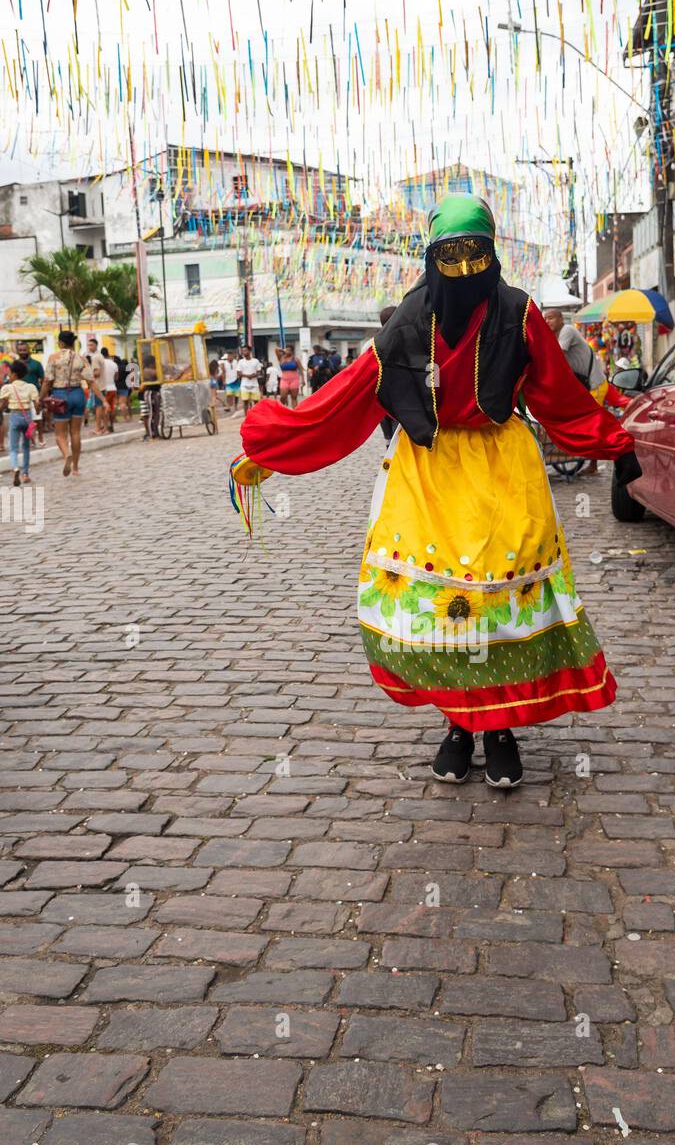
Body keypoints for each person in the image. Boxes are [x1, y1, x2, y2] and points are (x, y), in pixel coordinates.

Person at [231, 194, 640, 787]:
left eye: (477, 252)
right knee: (445, 613)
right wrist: (272, 448)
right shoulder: (411, 317)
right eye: (452, 254)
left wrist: (616, 442)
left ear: (492, 251)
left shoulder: (519, 313)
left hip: (503, 467)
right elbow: (347, 395)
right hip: (426, 473)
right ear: (432, 255)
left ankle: (500, 728)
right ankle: (459, 725)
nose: (466, 268)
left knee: (497, 604)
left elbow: (559, 397)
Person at [543, 309, 609, 475]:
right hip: (583, 386)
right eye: (545, 319)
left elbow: (557, 357)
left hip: (595, 385)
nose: (547, 321)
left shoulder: (567, 331)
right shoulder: (556, 336)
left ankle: (594, 463)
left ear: (560, 319)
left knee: (592, 425)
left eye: (550, 318)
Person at [42, 330, 106, 477]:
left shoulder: (54, 357)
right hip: (78, 395)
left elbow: (47, 381)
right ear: (73, 343)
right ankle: (76, 468)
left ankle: (66, 455)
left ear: (61, 343)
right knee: (75, 432)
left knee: (60, 435)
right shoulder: (82, 359)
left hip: (60, 397)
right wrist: (103, 400)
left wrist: (40, 398)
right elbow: (91, 381)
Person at [0, 358, 39, 486]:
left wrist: (2, 408)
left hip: (15, 416)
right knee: (26, 446)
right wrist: (38, 410)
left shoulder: (7, 388)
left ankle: (16, 467)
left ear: (14, 375)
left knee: (13, 448)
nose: (8, 376)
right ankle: (25, 473)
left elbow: (3, 404)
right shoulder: (30, 387)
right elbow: (37, 404)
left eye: (9, 373)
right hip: (27, 417)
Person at [377, 306, 398, 445]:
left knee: (389, 439)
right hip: (403, 402)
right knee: (398, 440)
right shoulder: (411, 340)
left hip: (382, 401)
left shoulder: (371, 344)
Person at [85, 337, 107, 433]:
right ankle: (105, 428)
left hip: (98, 386)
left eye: (91, 345)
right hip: (102, 385)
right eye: (88, 345)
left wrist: (86, 375)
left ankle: (98, 428)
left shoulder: (95, 357)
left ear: (96, 345)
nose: (89, 347)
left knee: (98, 408)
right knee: (101, 408)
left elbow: (97, 373)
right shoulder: (100, 356)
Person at [237, 345, 263, 418]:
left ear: (249, 351)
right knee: (245, 402)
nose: (244, 352)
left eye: (245, 350)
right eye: (243, 351)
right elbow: (238, 373)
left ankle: (257, 416)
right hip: (244, 385)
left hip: (254, 385)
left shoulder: (255, 361)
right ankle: (247, 417)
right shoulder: (241, 362)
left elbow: (259, 372)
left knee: (256, 402)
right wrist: (247, 376)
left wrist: (253, 375)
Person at [100, 347, 119, 432]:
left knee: (104, 408)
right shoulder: (114, 364)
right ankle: (111, 424)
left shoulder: (100, 363)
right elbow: (116, 377)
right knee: (111, 407)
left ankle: (105, 427)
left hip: (104, 388)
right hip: (113, 388)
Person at [220, 350, 240, 415]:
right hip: (228, 381)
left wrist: (238, 377)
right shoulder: (224, 363)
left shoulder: (236, 362)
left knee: (236, 395)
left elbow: (238, 370)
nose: (230, 357)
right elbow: (223, 372)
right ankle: (228, 406)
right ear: (227, 356)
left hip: (236, 380)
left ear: (233, 356)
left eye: (231, 355)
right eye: (229, 356)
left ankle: (236, 406)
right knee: (229, 394)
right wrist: (223, 381)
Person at [115, 352, 132, 420]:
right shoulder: (125, 367)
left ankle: (114, 419)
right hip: (124, 386)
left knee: (115, 403)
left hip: (115, 386)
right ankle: (126, 417)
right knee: (123, 403)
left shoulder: (114, 367)